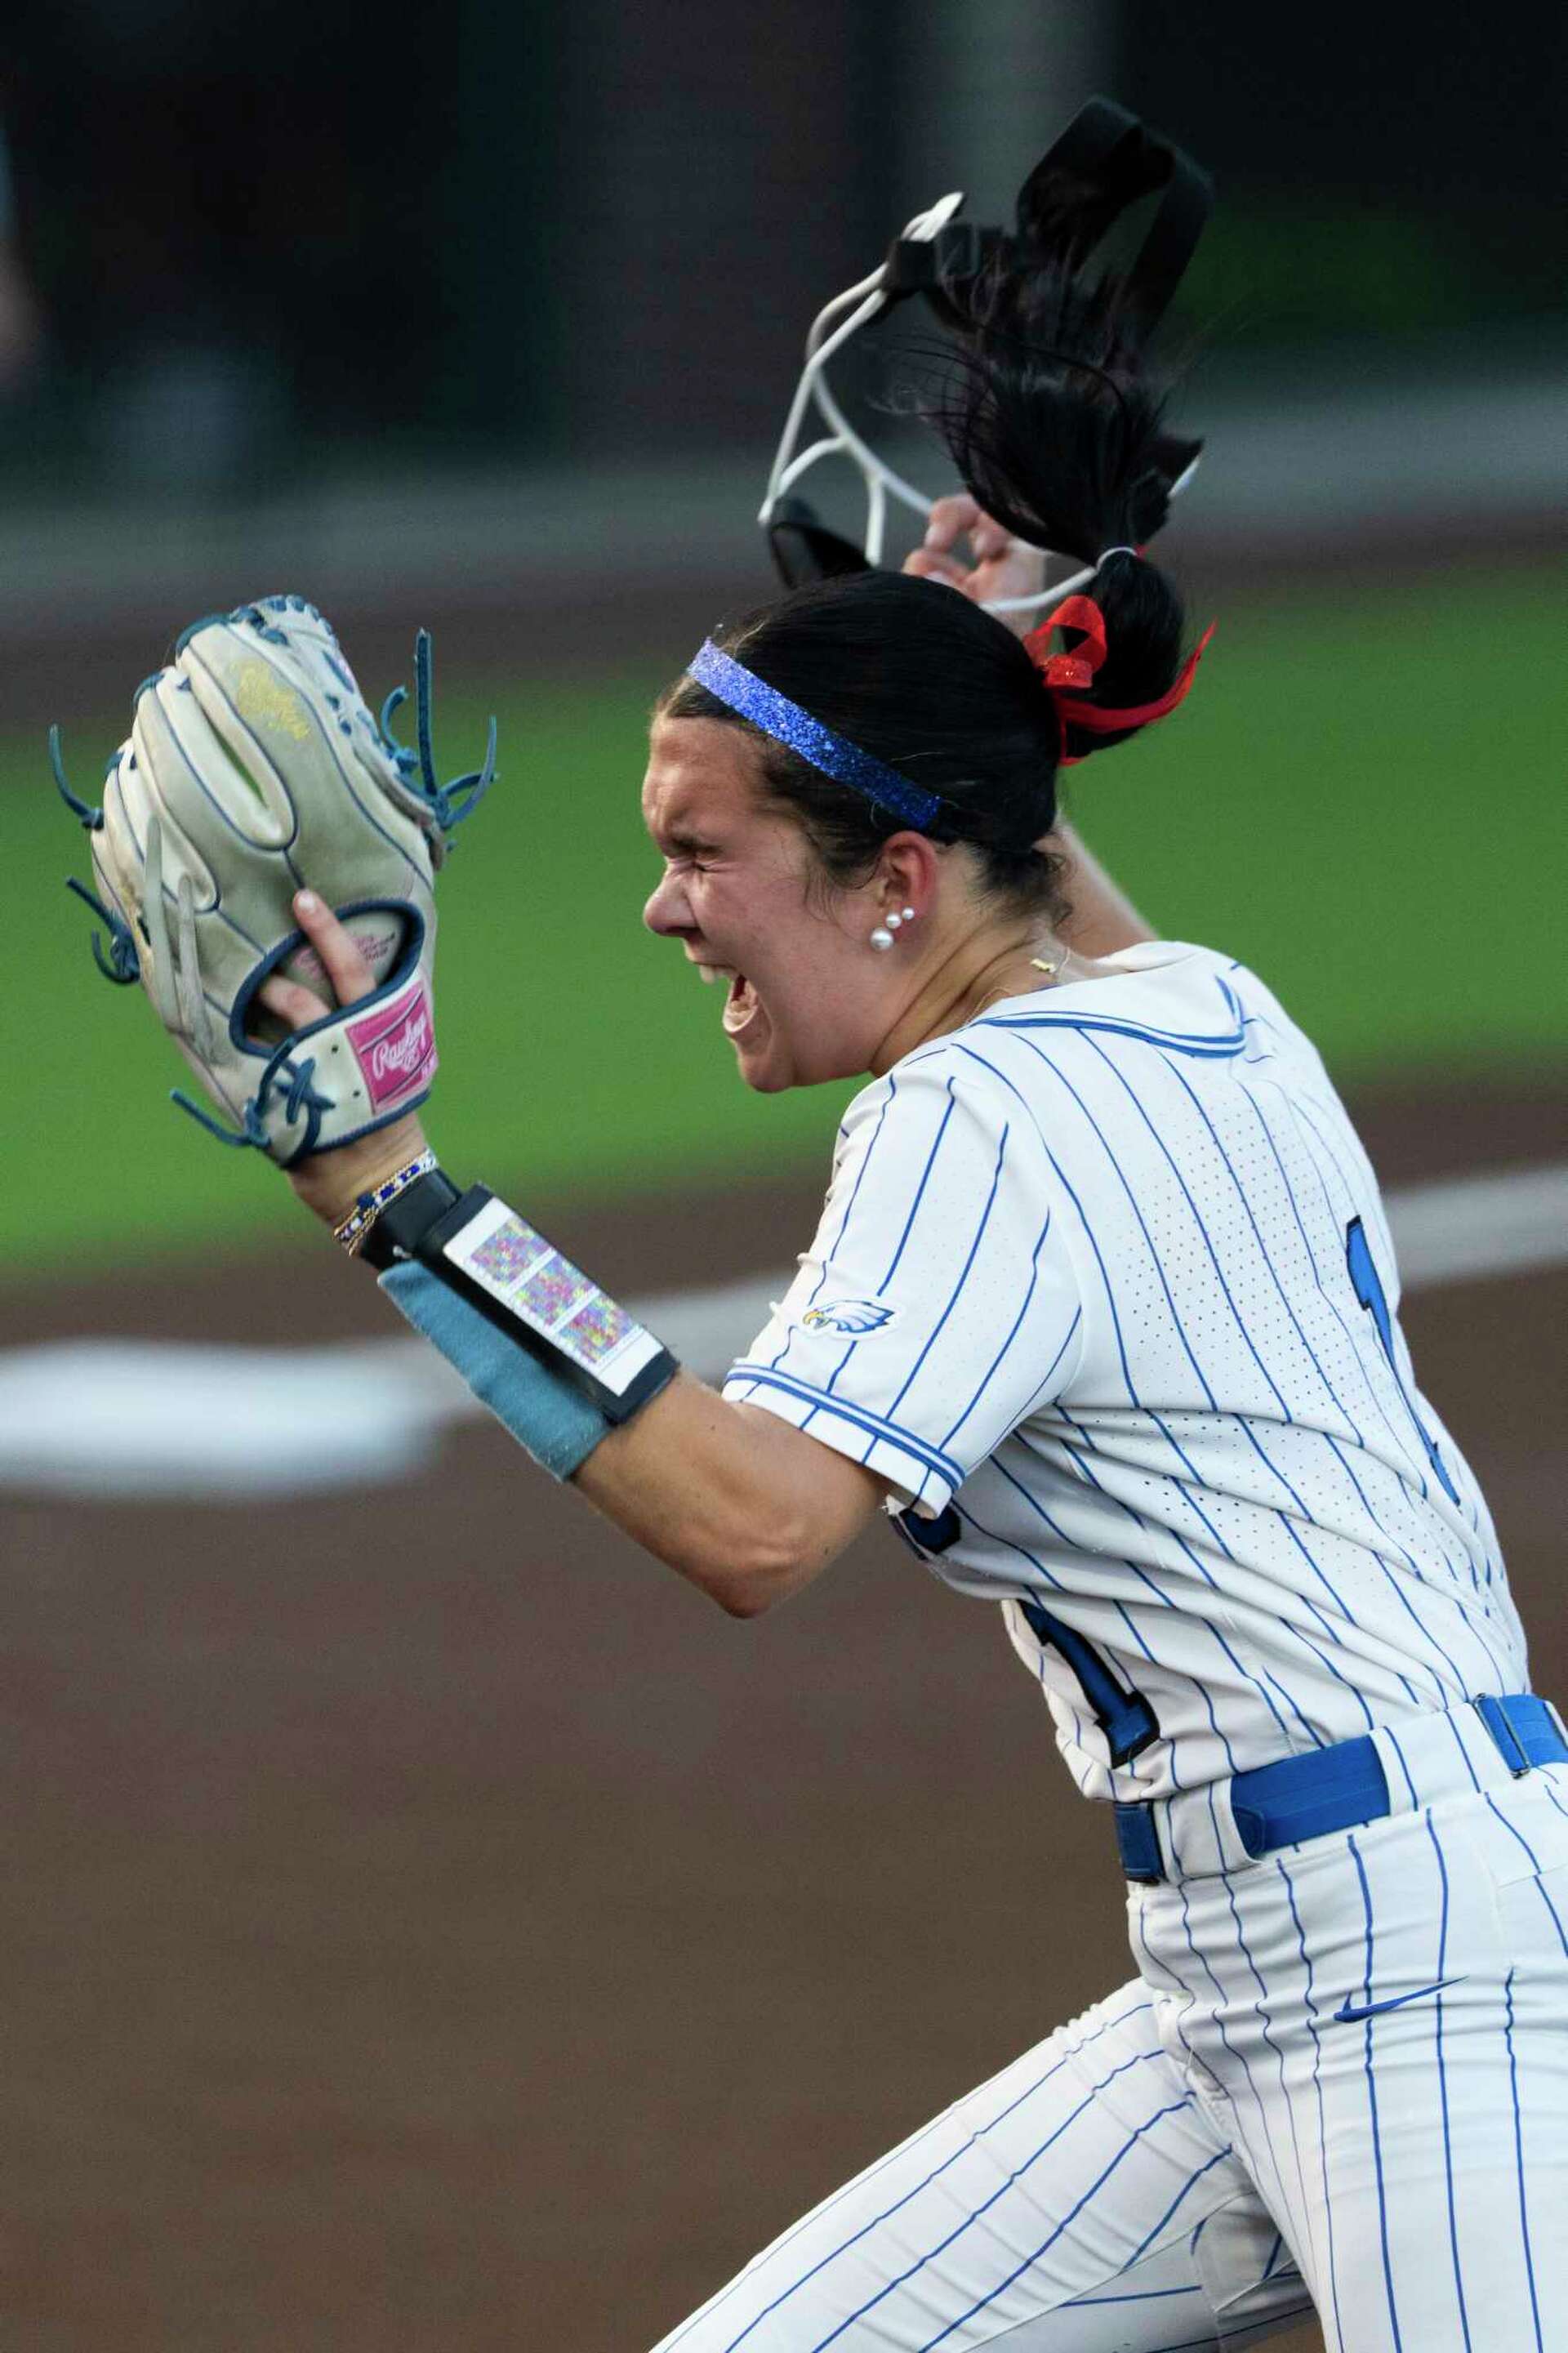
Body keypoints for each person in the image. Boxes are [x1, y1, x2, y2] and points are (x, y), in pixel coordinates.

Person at [256, 248, 1566, 2351]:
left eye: (705, 849)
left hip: (1427, 1982)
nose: (665, 905)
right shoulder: (1201, 1004)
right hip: (1265, 1968)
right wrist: (975, 650)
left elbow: (757, 1524)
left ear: (891, 875)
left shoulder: (975, 1116)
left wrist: (392, 1192)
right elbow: (1018, 860)